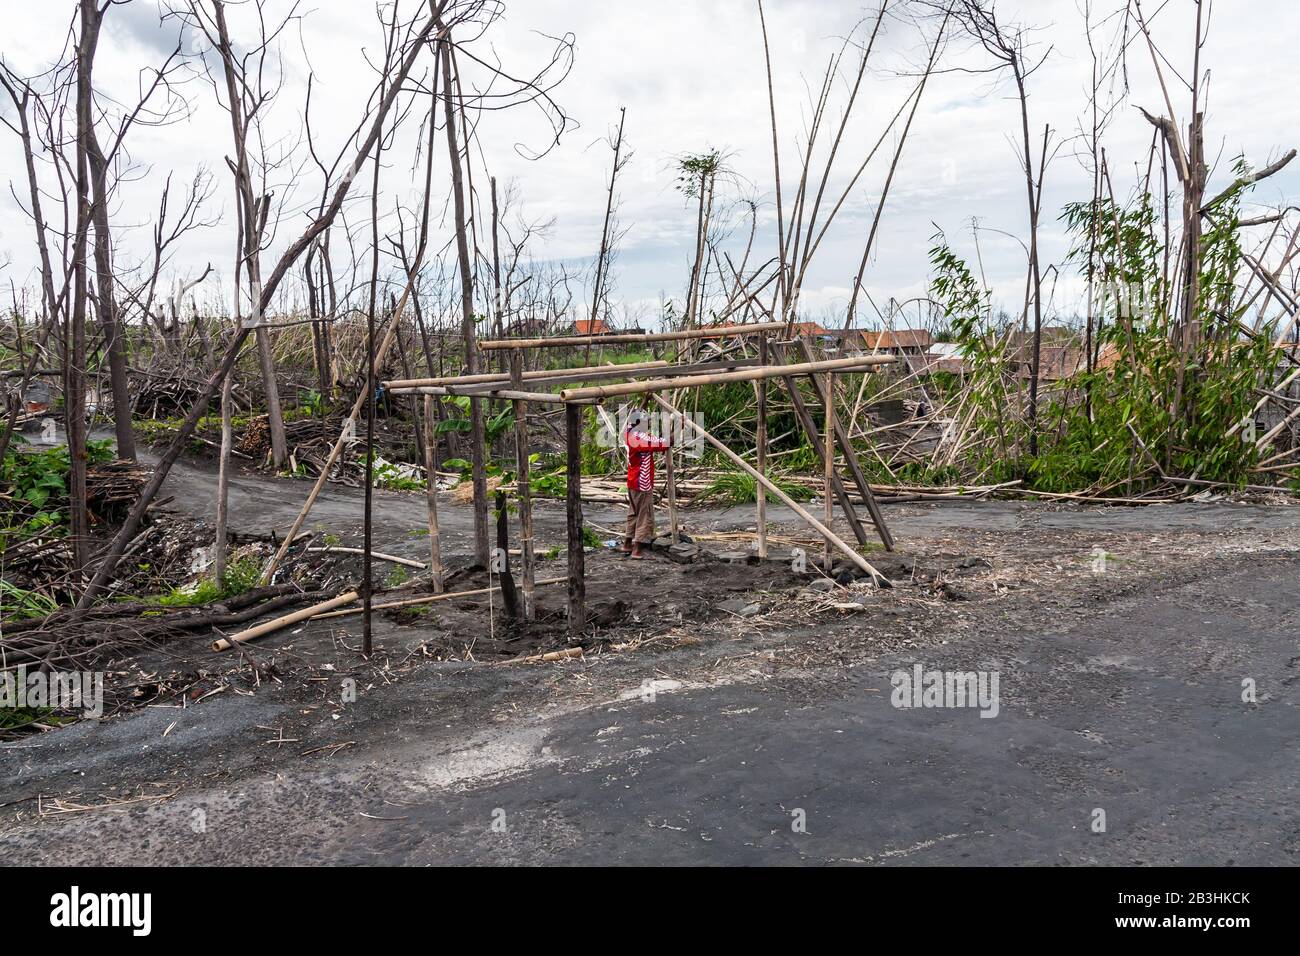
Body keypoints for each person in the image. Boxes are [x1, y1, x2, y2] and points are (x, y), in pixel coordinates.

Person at [621, 406, 673, 559]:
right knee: (644, 515)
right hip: (642, 483)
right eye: (647, 423)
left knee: (634, 513)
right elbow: (666, 443)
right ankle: (637, 549)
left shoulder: (629, 432)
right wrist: (679, 427)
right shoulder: (639, 438)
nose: (649, 425)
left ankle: (627, 544)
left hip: (632, 482)